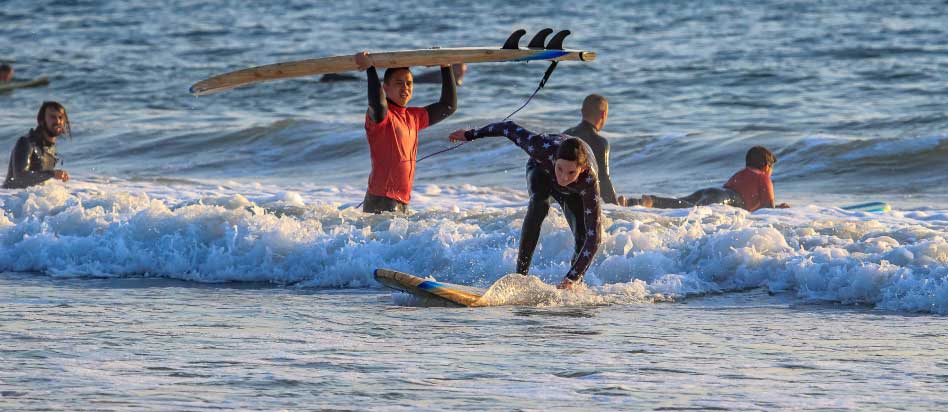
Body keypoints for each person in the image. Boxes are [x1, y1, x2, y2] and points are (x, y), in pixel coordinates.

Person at [449, 121, 603, 289]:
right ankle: (520, 277)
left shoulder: (589, 181)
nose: (563, 178)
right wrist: (470, 134)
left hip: (574, 191)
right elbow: (507, 128)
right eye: (560, 168)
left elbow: (594, 239)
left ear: (582, 169)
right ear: (556, 160)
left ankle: (571, 284)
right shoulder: (540, 148)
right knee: (539, 203)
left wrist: (572, 277)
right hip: (541, 172)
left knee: (582, 236)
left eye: (571, 172)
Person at [354, 51, 457, 214]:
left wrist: (445, 66)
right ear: (385, 87)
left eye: (409, 83)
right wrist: (370, 69)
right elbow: (378, 105)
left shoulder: (414, 117)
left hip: (402, 200)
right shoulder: (381, 118)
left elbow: (448, 106)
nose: (405, 88)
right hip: (381, 199)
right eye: (399, 83)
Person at [630, 146, 789, 212]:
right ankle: (649, 201)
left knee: (683, 203)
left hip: (713, 192)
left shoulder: (740, 174)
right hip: (726, 199)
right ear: (767, 166)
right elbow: (768, 210)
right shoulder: (762, 177)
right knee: (690, 210)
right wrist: (780, 211)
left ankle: (641, 201)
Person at [563, 94, 622, 205]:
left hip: (561, 199)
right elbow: (604, 180)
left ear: (582, 111)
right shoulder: (600, 142)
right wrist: (617, 209)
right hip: (582, 203)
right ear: (603, 114)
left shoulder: (565, 135)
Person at [4, 101, 71, 189]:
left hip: (31, 200)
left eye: (60, 117)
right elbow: (20, 177)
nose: (58, 121)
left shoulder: (49, 147)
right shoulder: (26, 142)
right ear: (42, 120)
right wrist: (52, 174)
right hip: (11, 199)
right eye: (53, 117)